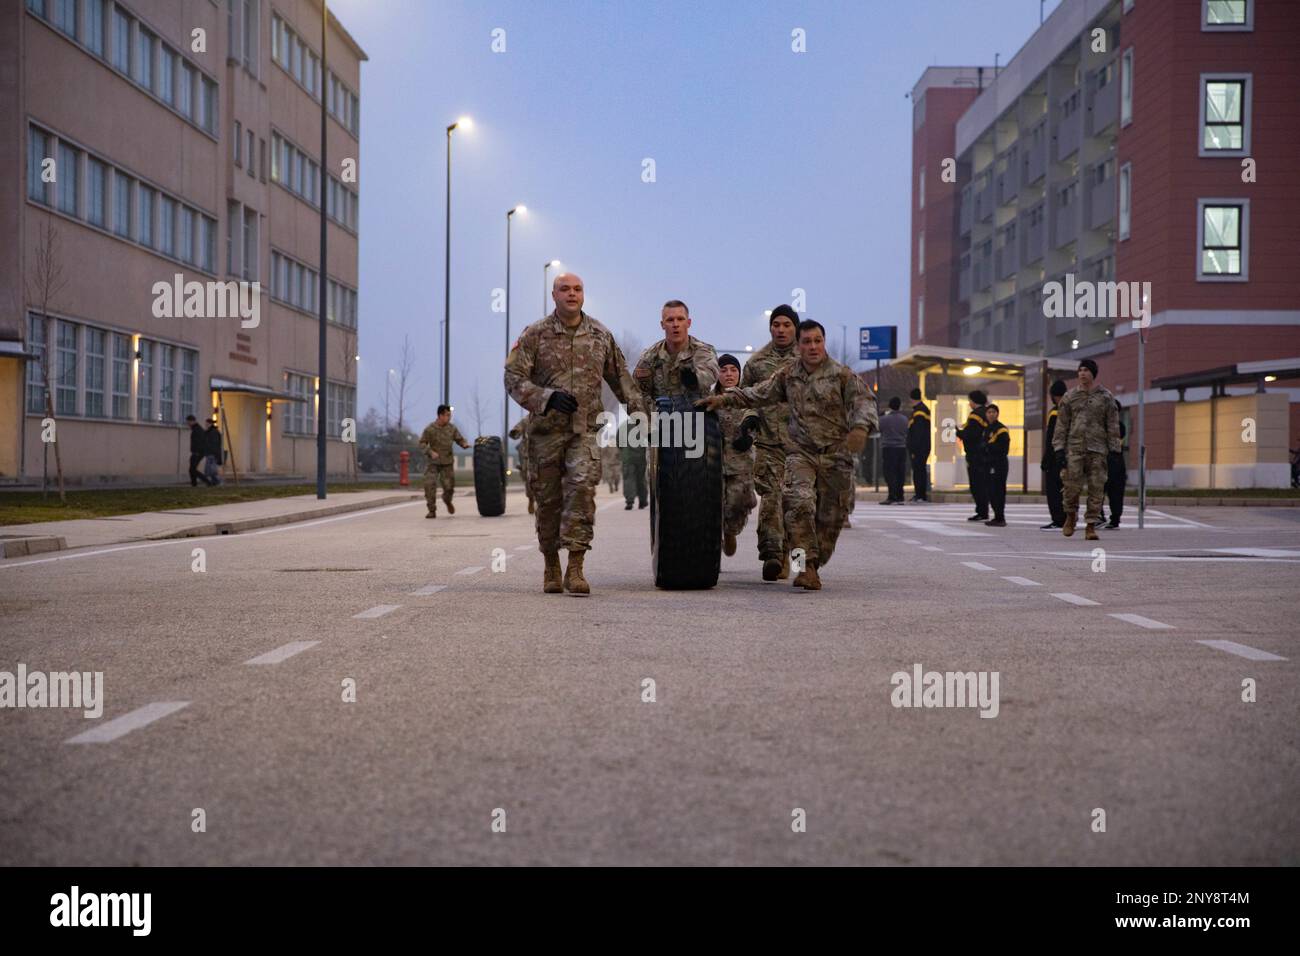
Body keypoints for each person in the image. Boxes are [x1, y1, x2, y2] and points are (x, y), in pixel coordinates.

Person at [698, 319, 878, 591]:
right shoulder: (788, 375)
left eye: (817, 341)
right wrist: (723, 399)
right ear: (800, 345)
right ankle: (801, 566)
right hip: (798, 453)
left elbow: (863, 400)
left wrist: (861, 428)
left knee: (830, 519)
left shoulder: (841, 375)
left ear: (823, 343)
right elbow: (757, 393)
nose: (812, 346)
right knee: (797, 505)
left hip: (835, 455)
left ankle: (814, 561)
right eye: (807, 342)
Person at [504, 272, 642, 594]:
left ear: (583, 295)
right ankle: (551, 563)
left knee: (581, 490)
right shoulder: (535, 335)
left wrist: (642, 416)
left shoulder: (600, 335)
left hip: (584, 432)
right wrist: (546, 398)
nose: (571, 294)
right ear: (554, 295)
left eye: (577, 289)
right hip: (545, 435)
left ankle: (576, 568)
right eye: (564, 289)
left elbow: (622, 380)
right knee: (548, 501)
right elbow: (513, 378)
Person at [740, 304, 799, 580]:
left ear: (795, 327)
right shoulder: (756, 363)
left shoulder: (810, 359)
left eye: (787, 324)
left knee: (800, 507)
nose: (781, 329)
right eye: (776, 324)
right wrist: (749, 418)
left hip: (803, 448)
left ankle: (800, 566)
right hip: (769, 444)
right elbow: (745, 398)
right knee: (772, 501)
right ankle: (773, 555)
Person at [1053, 358, 1122, 541]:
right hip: (1074, 449)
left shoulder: (1106, 397)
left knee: (1096, 488)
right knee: (1071, 487)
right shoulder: (1069, 397)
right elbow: (1061, 426)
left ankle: (1091, 525)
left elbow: (1112, 425)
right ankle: (1070, 517)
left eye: (1086, 370)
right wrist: (1059, 450)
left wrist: (1115, 450)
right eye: (1080, 370)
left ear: (1093, 373)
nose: (1082, 373)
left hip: (1098, 450)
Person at [714, 354, 759, 556]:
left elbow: (759, 418)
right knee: (713, 506)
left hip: (741, 463)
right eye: (723, 370)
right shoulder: (709, 399)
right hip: (713, 463)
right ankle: (714, 543)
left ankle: (730, 532)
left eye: (733, 370)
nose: (729, 374)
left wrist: (750, 436)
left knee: (738, 503)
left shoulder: (748, 398)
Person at [633, 300, 720, 404]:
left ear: (688, 323)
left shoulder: (703, 351)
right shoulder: (650, 357)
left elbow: (710, 373)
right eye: (670, 320)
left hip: (696, 415)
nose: (675, 324)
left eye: (680, 319)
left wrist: (694, 378)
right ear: (662, 325)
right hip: (661, 416)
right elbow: (637, 396)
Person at [418, 405, 470, 519]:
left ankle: (447, 500)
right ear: (440, 415)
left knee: (449, 487)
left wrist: (464, 444)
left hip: (447, 463)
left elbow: (459, 439)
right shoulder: (430, 429)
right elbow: (422, 443)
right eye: (447, 415)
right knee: (429, 485)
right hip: (433, 463)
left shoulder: (452, 428)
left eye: (449, 415)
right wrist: (430, 452)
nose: (449, 417)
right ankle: (432, 510)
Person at [1040, 379, 1068, 530]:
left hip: (1055, 457)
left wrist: (1046, 458)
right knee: (1065, 489)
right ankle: (1067, 519)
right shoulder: (1070, 408)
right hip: (1068, 455)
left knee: (1054, 490)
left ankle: (1058, 520)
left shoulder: (1055, 412)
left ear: (1054, 395)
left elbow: (1052, 437)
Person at [958, 390, 990, 521]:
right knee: (984, 483)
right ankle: (984, 510)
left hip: (975, 455)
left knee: (976, 484)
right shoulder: (987, 413)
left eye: (970, 400)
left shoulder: (975, 416)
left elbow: (970, 435)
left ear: (974, 401)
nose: (969, 403)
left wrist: (957, 433)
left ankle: (981, 511)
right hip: (987, 454)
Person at [1102, 399, 1128, 529]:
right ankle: (1103, 517)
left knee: (1114, 493)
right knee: (1101, 492)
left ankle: (1114, 519)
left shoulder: (1118, 426)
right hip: (1112, 462)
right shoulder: (1115, 425)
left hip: (1112, 463)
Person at [984, 404, 1010, 527]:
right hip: (989, 464)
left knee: (998, 491)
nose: (991, 414)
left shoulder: (1001, 429)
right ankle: (996, 516)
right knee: (991, 492)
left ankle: (1000, 517)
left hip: (999, 464)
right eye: (989, 412)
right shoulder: (987, 429)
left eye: (993, 412)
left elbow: (1003, 449)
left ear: (997, 414)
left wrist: (988, 447)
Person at [878, 396, 908, 504]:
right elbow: (906, 432)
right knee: (900, 472)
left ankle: (892, 495)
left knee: (889, 472)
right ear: (900, 406)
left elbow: (879, 428)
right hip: (901, 448)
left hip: (888, 448)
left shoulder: (884, 419)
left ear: (889, 406)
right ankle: (900, 495)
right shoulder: (905, 419)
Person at [618, 418, 648, 510]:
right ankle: (643, 501)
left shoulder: (623, 426)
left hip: (628, 457)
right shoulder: (643, 425)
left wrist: (624, 451)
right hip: (641, 457)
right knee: (641, 479)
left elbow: (619, 442)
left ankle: (630, 501)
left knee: (628, 479)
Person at [907, 387, 931, 502]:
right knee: (920, 470)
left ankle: (920, 494)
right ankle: (921, 494)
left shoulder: (919, 412)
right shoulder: (923, 409)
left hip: (919, 447)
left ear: (911, 398)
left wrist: (914, 449)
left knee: (918, 471)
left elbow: (918, 432)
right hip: (923, 446)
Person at [508, 417, 534, 514]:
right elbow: (516, 432)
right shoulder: (527, 420)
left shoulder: (551, 415)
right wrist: (515, 432)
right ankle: (531, 499)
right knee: (529, 478)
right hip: (528, 454)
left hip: (548, 452)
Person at [187, 415, 214, 487]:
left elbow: (200, 442)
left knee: (192, 469)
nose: (188, 424)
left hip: (198, 452)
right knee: (192, 469)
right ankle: (194, 484)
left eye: (188, 422)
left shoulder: (197, 430)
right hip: (197, 452)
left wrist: (197, 452)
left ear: (192, 421)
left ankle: (207, 482)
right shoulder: (196, 429)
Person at [204, 418, 223, 486]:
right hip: (209, 452)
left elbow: (214, 443)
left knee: (212, 470)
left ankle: (218, 481)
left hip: (212, 453)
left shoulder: (213, 432)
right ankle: (214, 482)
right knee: (209, 470)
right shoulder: (209, 431)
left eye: (207, 423)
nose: (206, 425)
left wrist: (214, 453)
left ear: (210, 424)